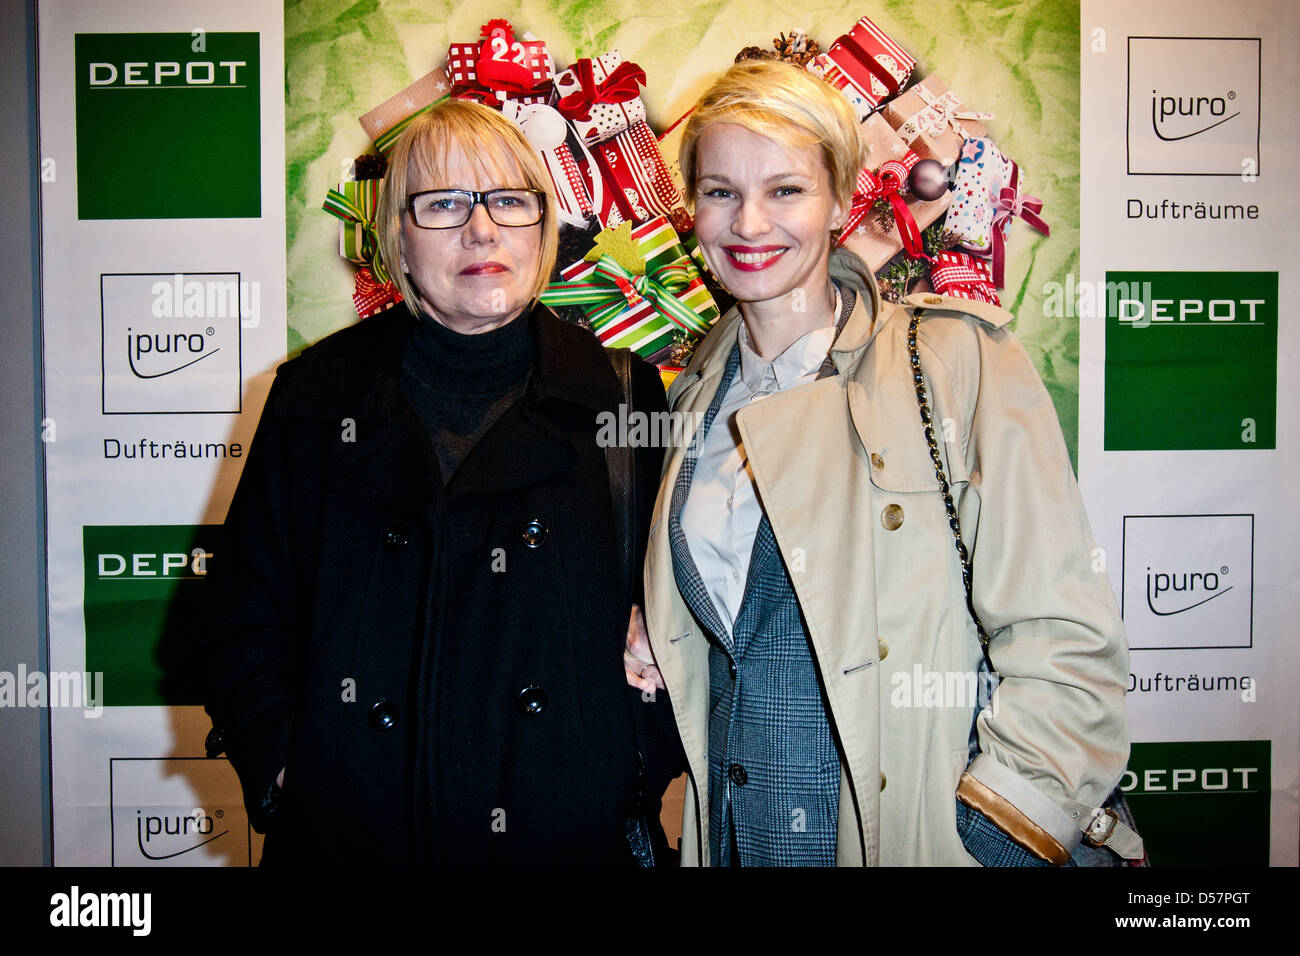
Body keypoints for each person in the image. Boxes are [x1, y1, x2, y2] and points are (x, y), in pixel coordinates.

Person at [624, 59, 1141, 866]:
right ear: (693, 207)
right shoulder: (692, 392)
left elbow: (1063, 637)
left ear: (839, 199)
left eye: (786, 190)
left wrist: (1003, 833)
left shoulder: (954, 362)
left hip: (904, 839)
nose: (749, 223)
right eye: (721, 191)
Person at [199, 98, 679, 866]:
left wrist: (629, 762)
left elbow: (684, 617)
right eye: (444, 203)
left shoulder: (623, 395)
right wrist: (291, 766)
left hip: (563, 841)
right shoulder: (317, 396)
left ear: (543, 226)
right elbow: (241, 618)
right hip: (356, 840)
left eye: (509, 201)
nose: (482, 229)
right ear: (398, 237)